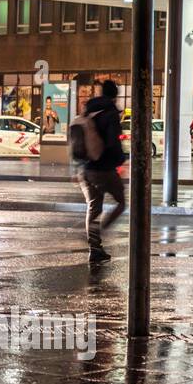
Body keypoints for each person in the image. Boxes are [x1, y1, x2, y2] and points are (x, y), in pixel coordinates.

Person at [79, 79, 126, 265]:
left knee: (94, 207)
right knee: (121, 202)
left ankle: (95, 249)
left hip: (86, 168)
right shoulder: (110, 113)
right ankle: (100, 230)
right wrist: (120, 159)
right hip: (104, 168)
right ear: (115, 94)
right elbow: (113, 143)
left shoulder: (89, 109)